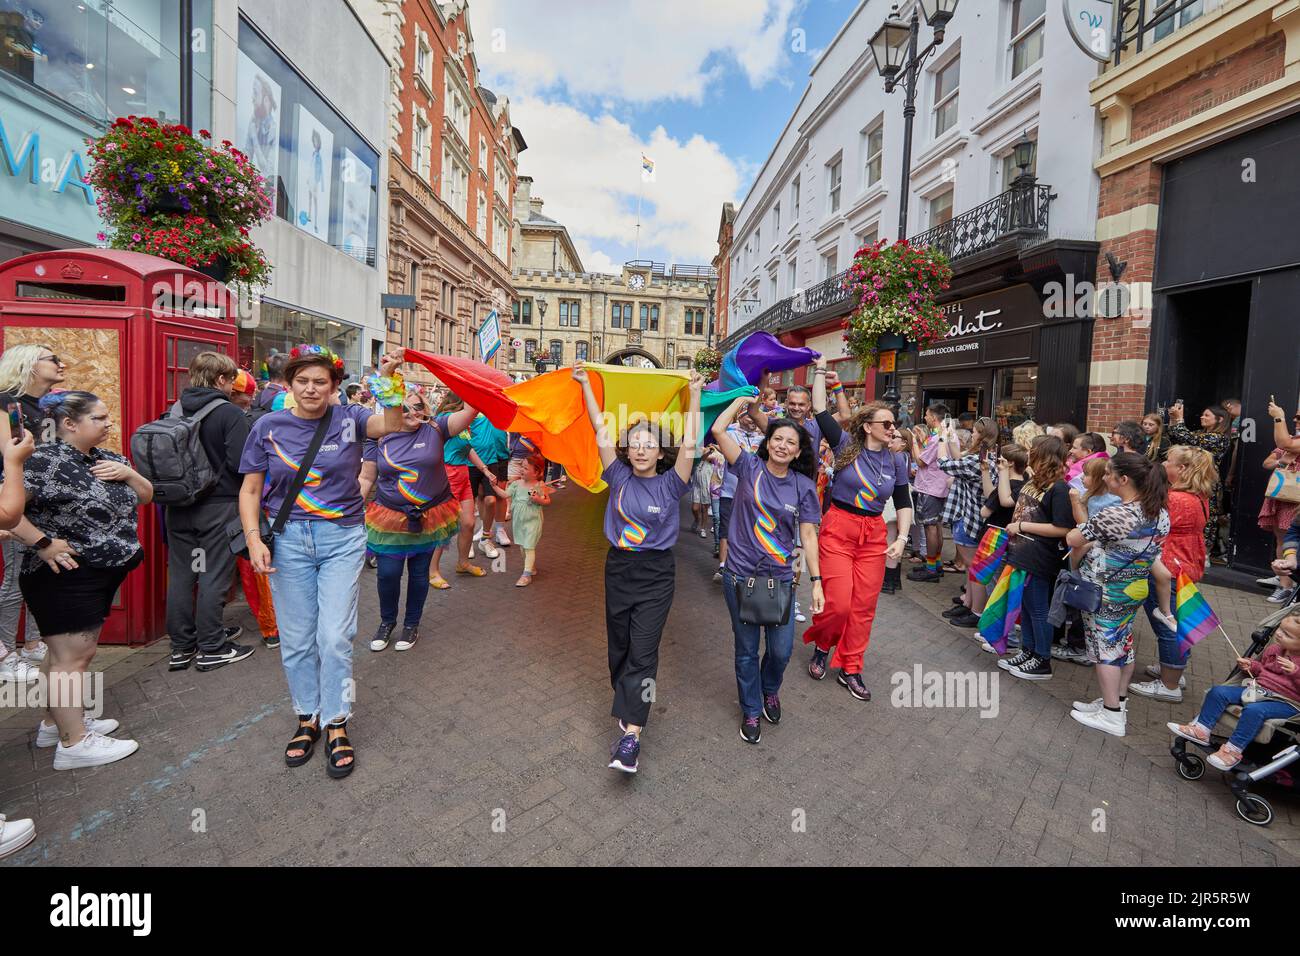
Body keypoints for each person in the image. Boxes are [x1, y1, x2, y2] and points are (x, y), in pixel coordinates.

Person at [239, 345, 406, 779]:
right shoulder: (267, 426)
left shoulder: (349, 419)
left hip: (341, 539)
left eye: (320, 382)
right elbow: (251, 491)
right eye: (303, 381)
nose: (311, 389)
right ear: (290, 385)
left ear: (334, 387)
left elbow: (391, 423)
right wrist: (255, 539)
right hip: (288, 540)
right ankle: (306, 718)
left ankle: (336, 721)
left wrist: (386, 379)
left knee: (333, 636)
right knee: (296, 640)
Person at [10, 391, 149, 768]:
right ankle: (75, 744)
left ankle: (54, 725)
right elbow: (8, 510)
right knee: (73, 660)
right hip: (64, 575)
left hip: (98, 574)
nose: (108, 424)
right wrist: (42, 543)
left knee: (60, 657)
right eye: (99, 418)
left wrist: (131, 473)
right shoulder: (40, 461)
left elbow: (147, 497)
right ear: (70, 424)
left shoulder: (108, 458)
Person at [574, 363, 701, 772]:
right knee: (621, 648)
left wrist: (695, 395)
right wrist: (585, 386)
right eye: (635, 444)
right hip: (619, 570)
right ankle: (627, 699)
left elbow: (692, 445)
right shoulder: (617, 475)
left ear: (660, 452)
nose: (641, 449)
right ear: (627, 450)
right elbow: (600, 428)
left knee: (644, 652)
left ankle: (632, 736)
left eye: (649, 444)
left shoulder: (672, 483)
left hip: (657, 574)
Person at [713, 396, 823, 737]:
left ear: (797, 451)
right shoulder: (748, 467)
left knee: (781, 650)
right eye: (778, 439)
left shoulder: (803, 486)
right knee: (746, 650)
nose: (783, 445)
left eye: (791, 442)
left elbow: (808, 533)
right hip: (741, 575)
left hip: (779, 580)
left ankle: (769, 690)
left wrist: (817, 580)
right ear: (768, 442)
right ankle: (749, 709)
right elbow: (718, 429)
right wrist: (741, 402)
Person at [802, 357, 910, 701]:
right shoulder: (846, 445)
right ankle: (823, 643)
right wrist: (819, 371)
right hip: (839, 527)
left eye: (894, 423)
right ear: (868, 426)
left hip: (873, 533)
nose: (893, 428)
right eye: (887, 423)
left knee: (863, 606)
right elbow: (820, 408)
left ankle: (851, 666)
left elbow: (904, 501)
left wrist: (903, 538)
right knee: (838, 605)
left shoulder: (896, 459)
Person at [1066, 453, 1170, 736]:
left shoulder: (1118, 514)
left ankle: (1112, 714)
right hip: (1134, 587)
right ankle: (1117, 702)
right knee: (1123, 643)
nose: (1104, 478)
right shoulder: (1159, 513)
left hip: (1106, 589)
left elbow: (1074, 538)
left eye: (1109, 474)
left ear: (1123, 480)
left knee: (1104, 651)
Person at [163, 351, 255, 672]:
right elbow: (244, 464)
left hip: (178, 507)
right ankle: (212, 646)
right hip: (218, 507)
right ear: (220, 380)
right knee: (214, 575)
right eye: (231, 380)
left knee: (182, 575)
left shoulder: (173, 411)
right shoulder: (229, 414)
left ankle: (182, 646)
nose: (233, 386)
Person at [358, 386, 469, 652]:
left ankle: (411, 624)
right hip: (390, 518)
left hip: (429, 516)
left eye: (417, 406)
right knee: (388, 574)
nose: (411, 411)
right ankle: (387, 622)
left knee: (419, 573)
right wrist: (348, 509)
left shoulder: (436, 428)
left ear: (425, 409)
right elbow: (366, 477)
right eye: (403, 407)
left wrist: (477, 377)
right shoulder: (377, 437)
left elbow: (471, 410)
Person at [1125, 445, 1215, 702]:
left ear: (1182, 469)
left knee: (1167, 623)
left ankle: (1170, 684)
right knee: (1174, 620)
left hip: (1169, 565)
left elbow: (1146, 524)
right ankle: (1172, 669)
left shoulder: (1177, 499)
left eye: (1169, 461)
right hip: (1186, 562)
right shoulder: (1199, 496)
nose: (1164, 464)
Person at [0, 343, 64, 680]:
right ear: (28, 365)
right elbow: (10, 458)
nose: (59, 363)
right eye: (52, 359)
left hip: (45, 502)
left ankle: (33, 642)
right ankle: (4, 651)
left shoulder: (45, 407)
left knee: (43, 571)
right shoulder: (7, 405)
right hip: (17, 502)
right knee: (13, 579)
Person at [1168, 606, 1300, 770]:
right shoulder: (1273, 650)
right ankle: (1201, 730)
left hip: (1286, 702)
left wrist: (1295, 672)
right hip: (1258, 689)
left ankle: (1232, 751)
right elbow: (1263, 670)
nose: (1279, 634)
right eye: (1280, 628)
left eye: (1287, 634)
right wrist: (1251, 665)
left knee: (1254, 711)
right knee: (1218, 692)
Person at [996, 436, 1074, 680]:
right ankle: (1027, 650)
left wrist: (1022, 526)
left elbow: (1062, 528)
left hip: (1039, 555)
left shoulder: (1059, 488)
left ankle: (1042, 658)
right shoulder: (1035, 481)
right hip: (1021, 552)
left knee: (1039, 608)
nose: (1029, 453)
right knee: (1027, 606)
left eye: (1034, 450)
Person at [946, 442, 1026, 630]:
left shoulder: (1013, 485)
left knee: (983, 576)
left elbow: (987, 509)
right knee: (980, 573)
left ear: (1010, 464)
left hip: (997, 534)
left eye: (1001, 460)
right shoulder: (1017, 482)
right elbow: (992, 494)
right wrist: (985, 471)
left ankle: (978, 613)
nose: (997, 462)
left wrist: (1000, 479)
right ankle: (974, 609)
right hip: (997, 532)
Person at [938, 416, 1000, 611]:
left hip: (970, 518)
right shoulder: (984, 456)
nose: (972, 433)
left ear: (982, 435)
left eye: (974, 431)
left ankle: (976, 611)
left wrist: (941, 438)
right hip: (969, 515)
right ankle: (968, 603)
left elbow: (944, 463)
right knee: (971, 567)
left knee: (974, 567)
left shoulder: (977, 460)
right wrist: (949, 437)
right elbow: (959, 458)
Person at [435, 393, 494, 576]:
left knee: (468, 523)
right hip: (448, 475)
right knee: (444, 526)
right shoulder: (446, 420)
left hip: (462, 476)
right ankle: (432, 570)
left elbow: (467, 449)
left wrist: (485, 470)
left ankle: (463, 563)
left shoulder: (463, 423)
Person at [1167, 402, 1231, 555]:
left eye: (1207, 415)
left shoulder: (1219, 438)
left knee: (1207, 515)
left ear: (1220, 419)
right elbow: (1177, 437)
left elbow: (1188, 439)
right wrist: (1173, 420)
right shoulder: (1200, 433)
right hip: (1189, 477)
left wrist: (1180, 420)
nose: (1202, 417)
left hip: (1205, 479)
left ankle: (1204, 552)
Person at [713, 402, 764, 583]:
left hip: (752, 495)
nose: (751, 420)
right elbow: (718, 430)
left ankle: (744, 566)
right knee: (725, 529)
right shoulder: (731, 434)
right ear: (741, 417)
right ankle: (722, 566)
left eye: (754, 416)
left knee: (749, 531)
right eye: (748, 416)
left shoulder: (763, 439)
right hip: (729, 492)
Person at [487, 454, 551, 587]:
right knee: (522, 547)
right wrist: (494, 487)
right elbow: (505, 495)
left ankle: (526, 575)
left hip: (533, 521)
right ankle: (530, 567)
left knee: (529, 546)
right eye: (522, 466)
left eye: (526, 468)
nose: (522, 470)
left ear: (536, 472)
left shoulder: (539, 485)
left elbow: (547, 500)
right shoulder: (516, 484)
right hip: (519, 521)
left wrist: (538, 499)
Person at [1258, 417, 1300, 605]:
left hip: (1295, 500)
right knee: (1281, 538)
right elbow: (1267, 463)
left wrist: (1278, 415)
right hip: (1280, 496)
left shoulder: (1289, 441)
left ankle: (1286, 587)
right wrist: (1282, 461)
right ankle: (1283, 579)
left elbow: (1284, 443)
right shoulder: (1290, 440)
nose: (1296, 421)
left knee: (1289, 538)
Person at [907, 403, 951, 582]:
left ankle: (931, 569)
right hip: (939, 486)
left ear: (934, 417)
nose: (924, 418)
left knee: (930, 527)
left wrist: (914, 442)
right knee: (936, 525)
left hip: (930, 486)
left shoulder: (937, 438)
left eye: (926, 415)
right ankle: (936, 564)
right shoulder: (948, 435)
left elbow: (921, 462)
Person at [879, 428, 916, 595]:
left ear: (904, 443)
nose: (891, 439)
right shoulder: (905, 456)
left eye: (895, 437)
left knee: (891, 538)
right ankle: (895, 580)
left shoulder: (897, 457)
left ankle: (888, 581)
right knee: (897, 538)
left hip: (895, 500)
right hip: (901, 498)